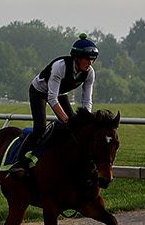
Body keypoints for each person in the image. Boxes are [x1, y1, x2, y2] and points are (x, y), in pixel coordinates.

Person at [12, 34, 99, 175]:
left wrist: (86, 118)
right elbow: (52, 98)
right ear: (77, 57)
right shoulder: (60, 67)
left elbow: (87, 100)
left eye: (92, 60)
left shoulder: (90, 73)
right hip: (39, 92)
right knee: (40, 128)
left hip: (60, 93)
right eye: (87, 59)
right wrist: (66, 120)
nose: (90, 63)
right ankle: (19, 161)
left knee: (76, 127)